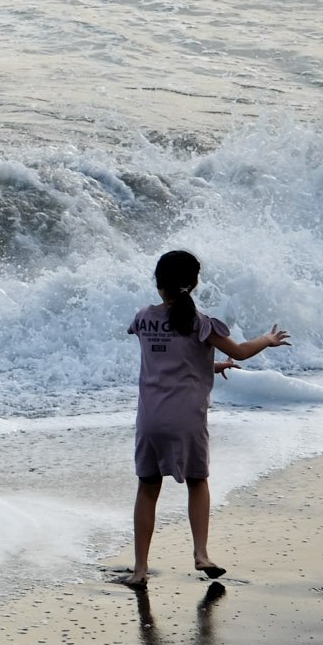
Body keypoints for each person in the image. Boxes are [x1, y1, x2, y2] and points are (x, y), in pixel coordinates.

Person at [121, 249, 288, 586]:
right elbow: (240, 351)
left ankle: (140, 569)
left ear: (158, 283)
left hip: (151, 420)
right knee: (197, 482)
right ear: (194, 283)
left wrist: (207, 365)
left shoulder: (143, 319)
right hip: (187, 419)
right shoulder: (200, 322)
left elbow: (168, 361)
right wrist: (267, 340)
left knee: (148, 488)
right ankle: (201, 554)